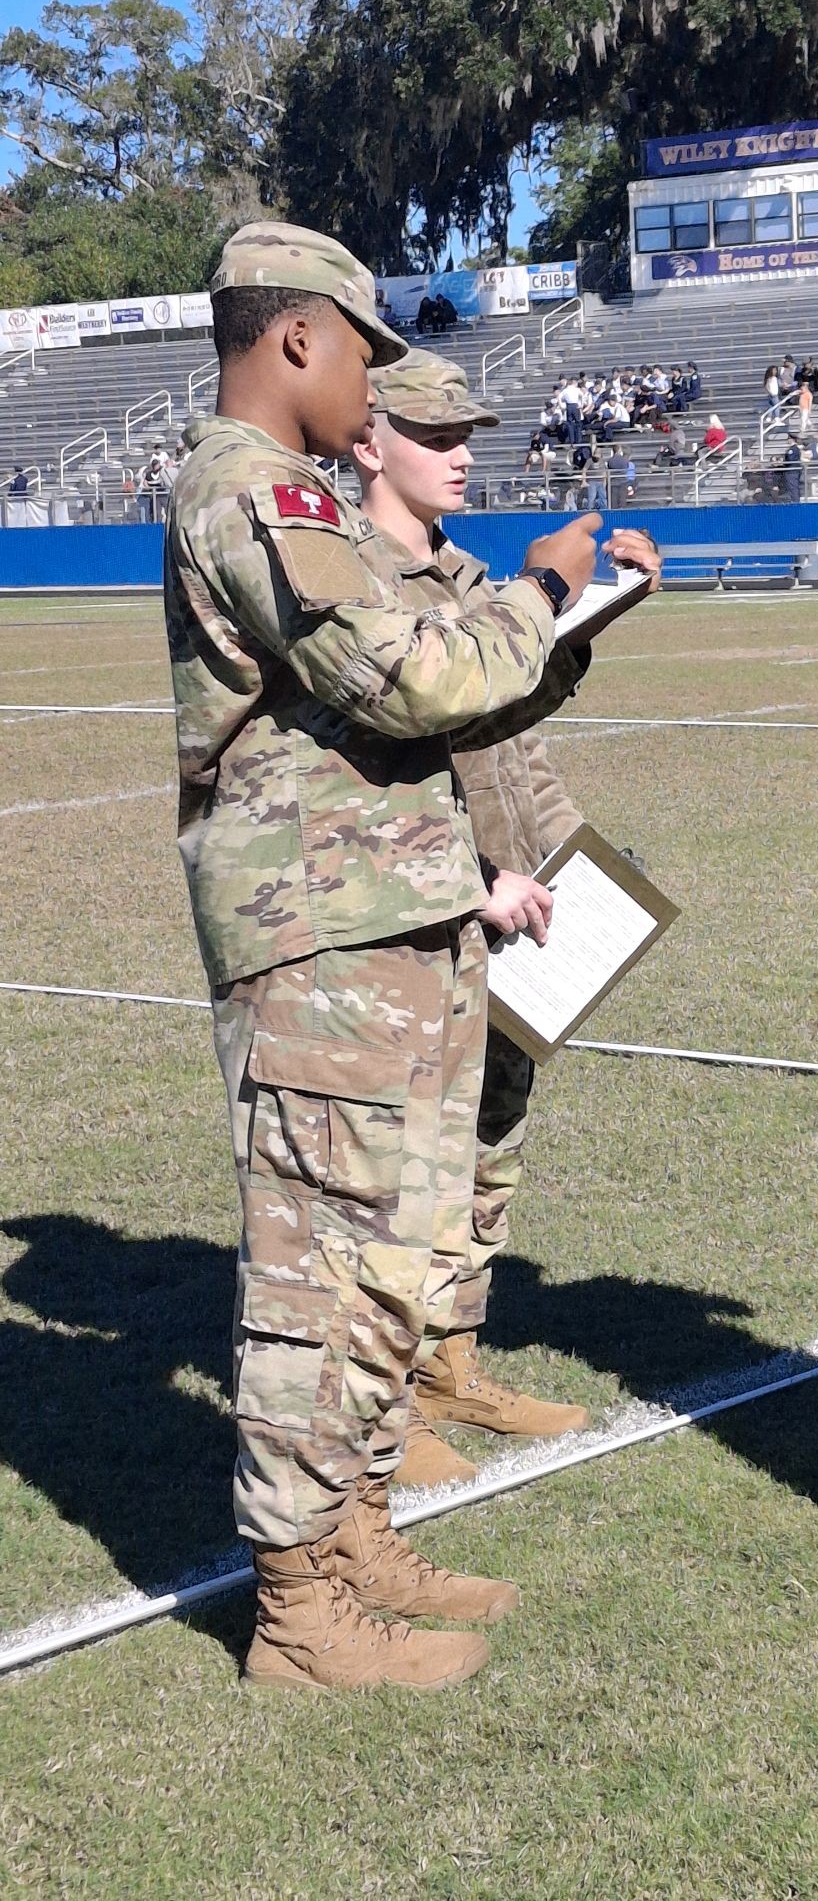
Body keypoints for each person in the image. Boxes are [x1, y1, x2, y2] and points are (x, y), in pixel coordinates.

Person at [163, 222, 600, 1691]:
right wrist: (536, 594)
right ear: (298, 340)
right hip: (315, 942)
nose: (377, 386)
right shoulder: (252, 494)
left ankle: (351, 1532)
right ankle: (298, 1609)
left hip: (389, 919)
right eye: (366, 351)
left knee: (387, 1263)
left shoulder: (297, 498)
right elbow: (413, 674)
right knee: (317, 1278)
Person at [350, 348, 660, 1483]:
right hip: (434, 900)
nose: (462, 452)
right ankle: (387, 1399)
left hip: (522, 885)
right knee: (407, 1167)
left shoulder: (463, 570)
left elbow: (508, 694)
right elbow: (389, 748)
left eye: (468, 432)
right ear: (368, 442)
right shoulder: (357, 580)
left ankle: (450, 1363)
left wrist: (594, 615)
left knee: (491, 1142)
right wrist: (470, 883)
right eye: (435, 436)